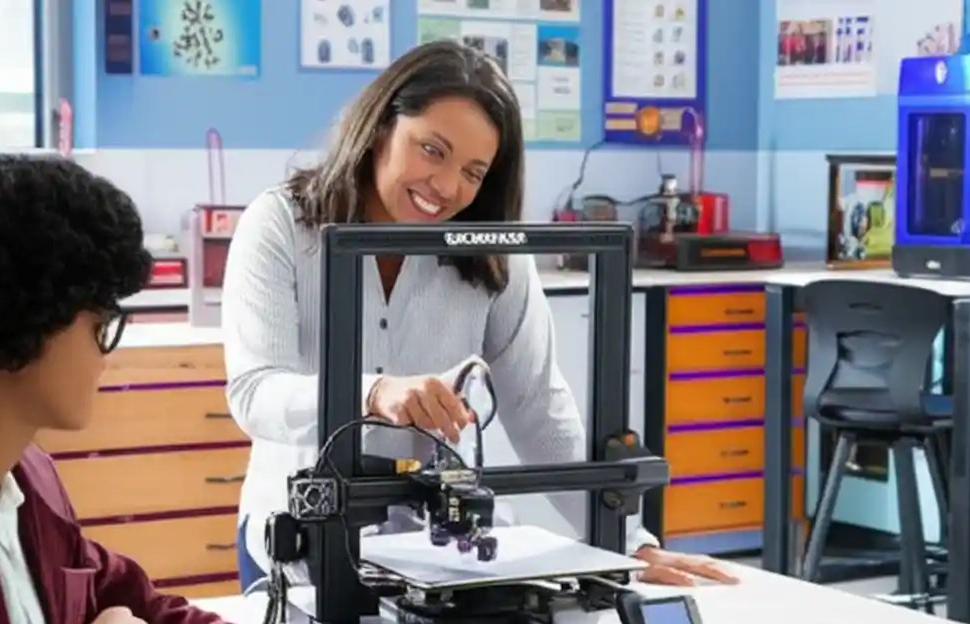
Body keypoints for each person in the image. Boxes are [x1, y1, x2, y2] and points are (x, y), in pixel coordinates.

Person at [0, 155, 453, 624]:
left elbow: (137, 608)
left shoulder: (17, 474)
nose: (104, 356)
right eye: (100, 325)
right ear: (18, 325)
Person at [223, 40, 737, 591]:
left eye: (473, 172)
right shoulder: (279, 225)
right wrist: (374, 393)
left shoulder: (492, 252)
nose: (446, 188)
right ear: (379, 128)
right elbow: (255, 393)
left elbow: (537, 407)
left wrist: (628, 541)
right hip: (300, 539)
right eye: (431, 150)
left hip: (444, 548)